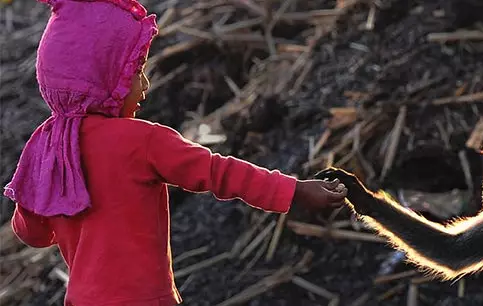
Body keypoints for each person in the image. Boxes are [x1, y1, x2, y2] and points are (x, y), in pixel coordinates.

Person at [5, 1, 346, 305]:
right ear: (102, 78)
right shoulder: (141, 141)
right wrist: (295, 189)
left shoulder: (46, 148)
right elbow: (219, 173)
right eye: (135, 72)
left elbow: (33, 233)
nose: (144, 85)